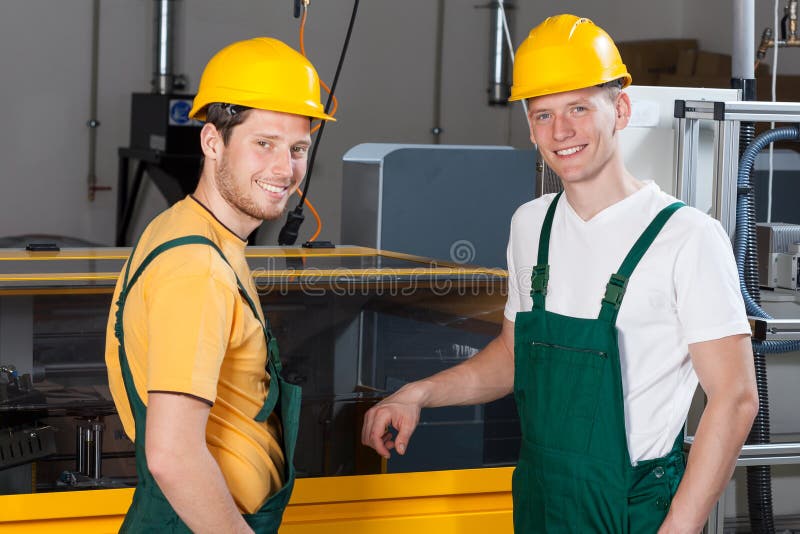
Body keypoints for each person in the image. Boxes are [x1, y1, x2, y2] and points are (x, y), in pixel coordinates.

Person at [361, 14, 759, 533]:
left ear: (620, 109)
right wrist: (417, 393)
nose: (561, 131)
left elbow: (734, 399)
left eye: (578, 108)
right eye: (543, 115)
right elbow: (511, 356)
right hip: (541, 501)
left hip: (634, 509)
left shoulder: (687, 238)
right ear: (529, 127)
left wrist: (677, 530)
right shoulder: (532, 226)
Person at [104, 37, 334, 533]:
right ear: (212, 141)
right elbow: (171, 454)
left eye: (298, 149)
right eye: (263, 143)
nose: (284, 169)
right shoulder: (198, 265)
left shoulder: (191, 228)